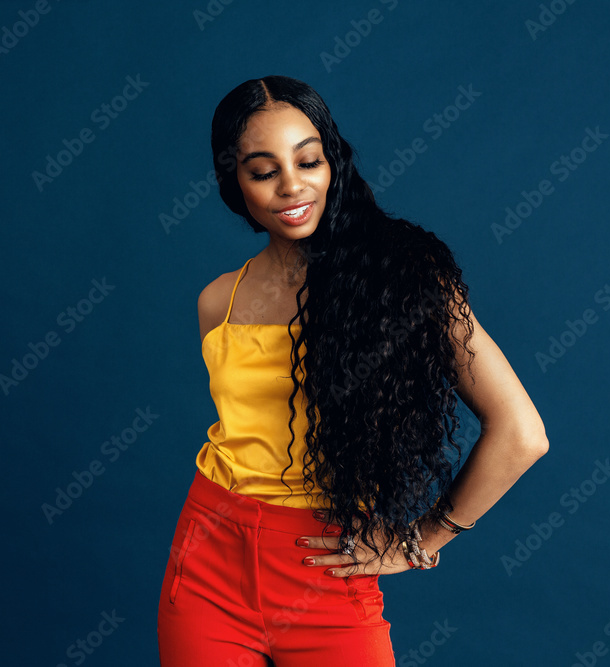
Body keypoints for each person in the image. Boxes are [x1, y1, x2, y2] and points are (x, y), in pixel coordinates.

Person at [156, 75, 549, 666]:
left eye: (308, 161)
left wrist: (421, 540)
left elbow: (521, 433)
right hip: (209, 557)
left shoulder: (403, 281)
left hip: (324, 563)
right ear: (234, 183)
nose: (292, 185)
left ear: (333, 162)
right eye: (263, 171)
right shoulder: (218, 302)